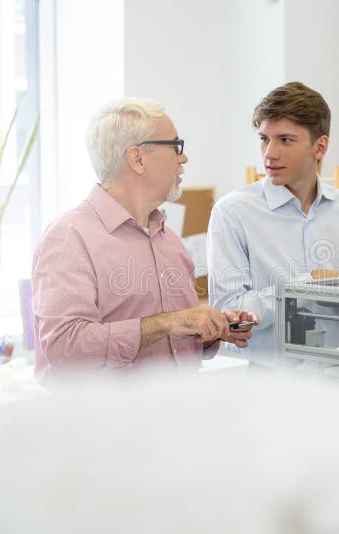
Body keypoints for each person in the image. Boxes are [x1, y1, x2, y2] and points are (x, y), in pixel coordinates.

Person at [32, 98, 258, 384]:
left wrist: (212, 328)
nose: (183, 158)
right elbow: (66, 348)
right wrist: (168, 323)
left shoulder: (169, 240)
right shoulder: (68, 238)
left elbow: (174, 343)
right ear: (137, 158)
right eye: (176, 146)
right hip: (104, 425)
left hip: (174, 418)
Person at [206, 82, 339, 367]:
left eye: (285, 140)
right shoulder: (233, 212)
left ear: (320, 146)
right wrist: (309, 284)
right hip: (269, 381)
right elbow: (229, 313)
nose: (269, 153)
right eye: (264, 139)